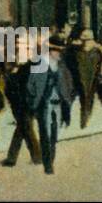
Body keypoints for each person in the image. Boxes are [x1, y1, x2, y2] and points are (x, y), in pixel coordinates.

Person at [26, 35, 70, 174]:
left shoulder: (61, 65)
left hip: (57, 105)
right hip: (44, 105)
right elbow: (30, 85)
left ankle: (50, 160)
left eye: (60, 51)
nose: (59, 53)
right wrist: (34, 101)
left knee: (54, 135)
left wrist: (67, 100)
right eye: (57, 50)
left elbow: (68, 84)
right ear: (50, 51)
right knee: (45, 135)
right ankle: (48, 165)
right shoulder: (40, 63)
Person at [0, 34, 41, 168]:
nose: (20, 48)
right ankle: (17, 158)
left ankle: (35, 157)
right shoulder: (14, 64)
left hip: (29, 103)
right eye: (17, 46)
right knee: (22, 129)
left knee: (25, 128)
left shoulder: (34, 64)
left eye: (24, 46)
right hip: (17, 103)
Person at [71, 29, 102, 129]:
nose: (85, 43)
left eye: (87, 40)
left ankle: (86, 119)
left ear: (91, 41)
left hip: (92, 80)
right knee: (84, 100)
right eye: (83, 40)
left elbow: (100, 66)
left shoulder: (96, 53)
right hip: (81, 81)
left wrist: (100, 76)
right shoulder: (77, 53)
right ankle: (84, 121)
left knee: (89, 99)